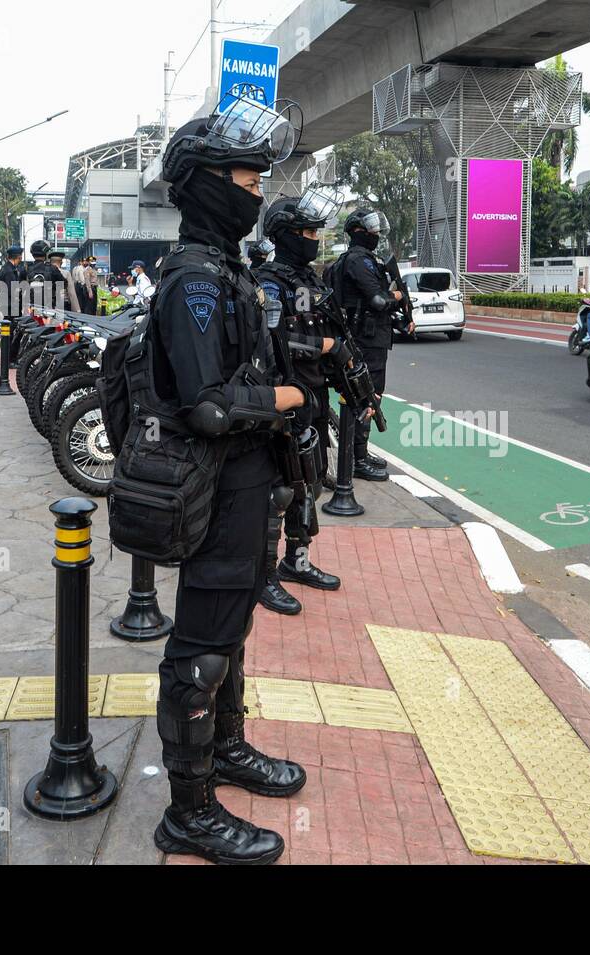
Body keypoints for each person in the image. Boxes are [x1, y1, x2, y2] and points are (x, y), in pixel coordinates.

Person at [146, 92, 309, 865]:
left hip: (247, 484)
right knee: (200, 651)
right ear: (209, 184)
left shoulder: (228, 269)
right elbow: (209, 407)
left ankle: (229, 747)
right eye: (248, 182)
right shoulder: (195, 282)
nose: (257, 194)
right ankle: (189, 809)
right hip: (211, 484)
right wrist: (288, 397)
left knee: (233, 634)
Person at [253, 190, 349, 615]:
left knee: (308, 482)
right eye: (307, 231)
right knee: (278, 490)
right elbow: (276, 340)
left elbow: (333, 333)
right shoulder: (268, 281)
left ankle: (298, 561)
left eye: (315, 230)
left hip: (313, 394)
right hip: (282, 397)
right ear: (285, 235)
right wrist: (325, 345)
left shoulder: (312, 280)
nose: (313, 238)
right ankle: (265, 576)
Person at [336, 206, 407, 481]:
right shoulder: (359, 261)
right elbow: (378, 301)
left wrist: (401, 319)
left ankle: (358, 454)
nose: (375, 235)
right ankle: (356, 459)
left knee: (364, 396)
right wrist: (399, 296)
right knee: (368, 397)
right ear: (357, 232)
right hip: (366, 339)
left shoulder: (351, 260)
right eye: (371, 230)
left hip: (362, 337)